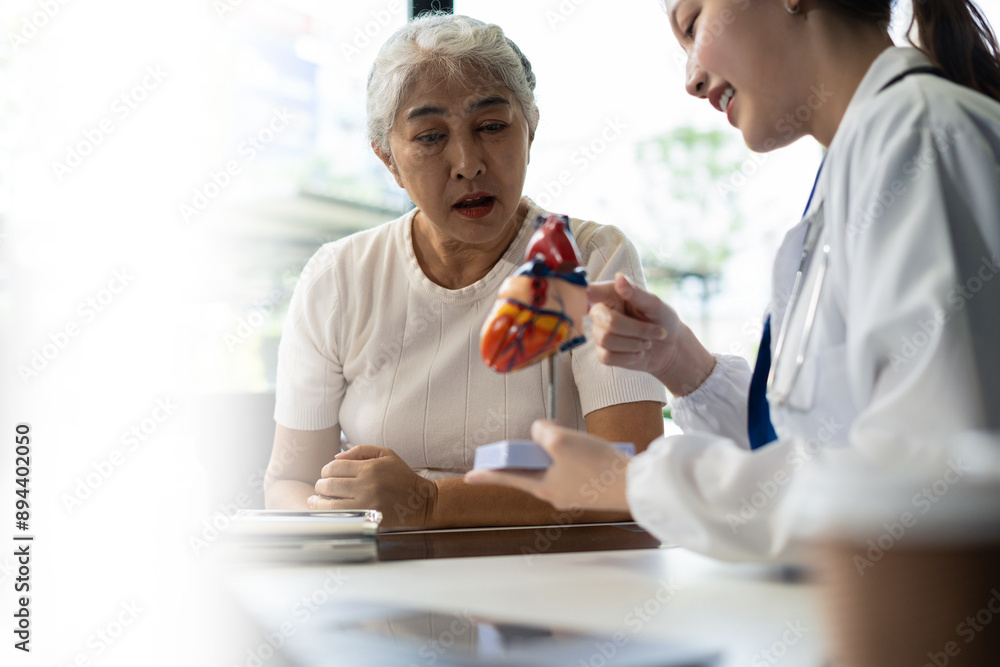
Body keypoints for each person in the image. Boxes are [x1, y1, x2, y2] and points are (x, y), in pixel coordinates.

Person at [466, 0, 1000, 560]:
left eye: (694, 25)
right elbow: (820, 451)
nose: (693, 79)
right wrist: (684, 367)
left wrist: (633, 482)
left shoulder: (921, 140)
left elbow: (926, 482)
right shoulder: (862, 167)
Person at [264, 14, 667, 528]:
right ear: (388, 160)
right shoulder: (338, 278)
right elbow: (290, 482)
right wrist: (339, 522)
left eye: (492, 127)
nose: (467, 162)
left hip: (557, 586)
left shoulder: (586, 258)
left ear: (532, 129)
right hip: (386, 579)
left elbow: (636, 482)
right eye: (430, 137)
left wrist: (431, 503)